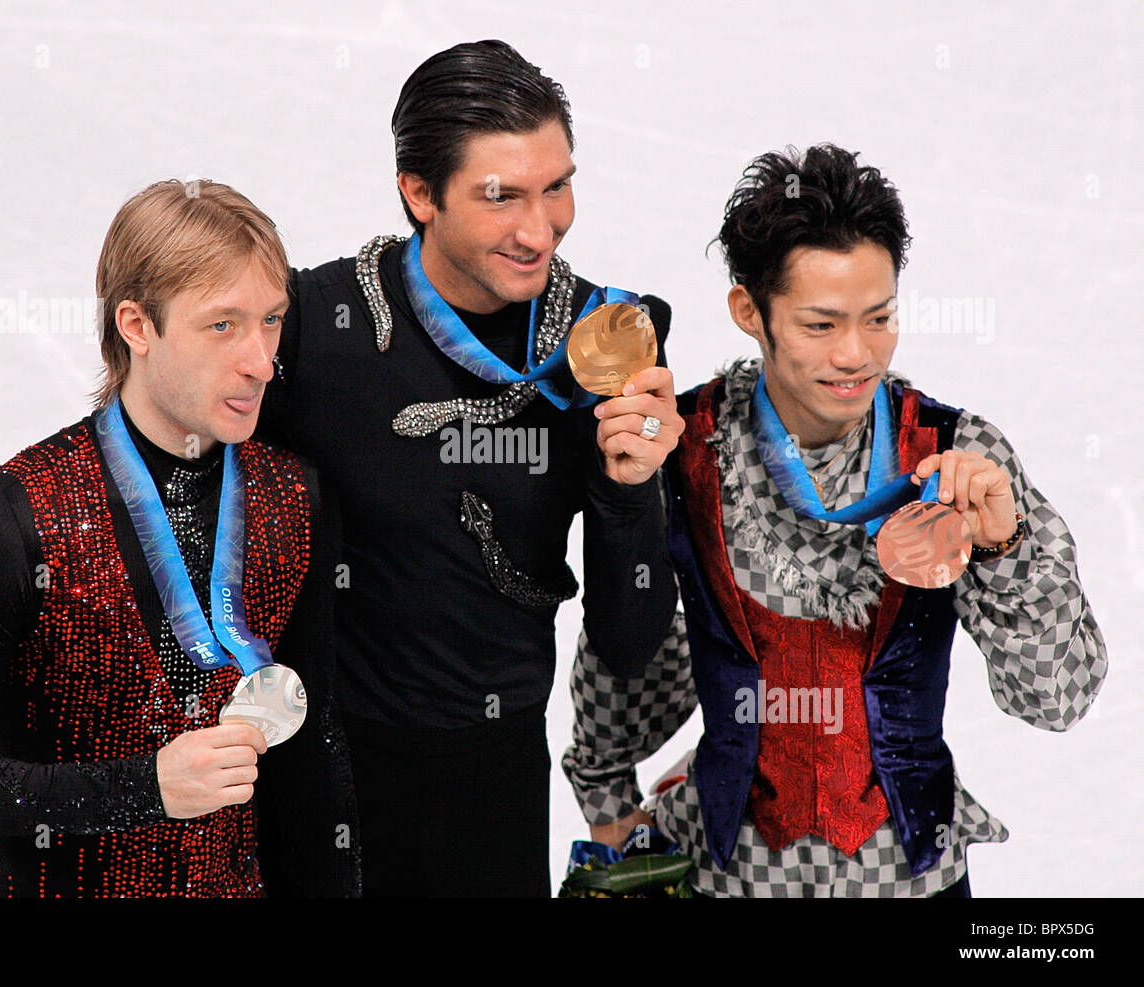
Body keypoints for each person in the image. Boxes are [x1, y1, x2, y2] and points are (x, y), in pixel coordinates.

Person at [563, 144, 1108, 897]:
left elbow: (1060, 698)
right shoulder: (684, 446)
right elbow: (636, 642)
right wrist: (608, 801)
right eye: (821, 324)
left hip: (911, 878)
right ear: (749, 311)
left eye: (879, 317)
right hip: (733, 877)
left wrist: (1004, 546)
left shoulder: (956, 454)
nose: (856, 354)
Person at [256, 39, 682, 896]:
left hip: (493, 783)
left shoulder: (607, 341)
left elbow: (632, 642)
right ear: (420, 194)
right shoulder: (317, 325)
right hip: (316, 769)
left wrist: (631, 490)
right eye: (502, 196)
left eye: (557, 186)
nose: (540, 228)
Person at [0, 179, 359, 897]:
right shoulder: (12, 523)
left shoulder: (293, 497)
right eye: (224, 326)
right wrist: (146, 786)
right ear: (137, 326)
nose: (262, 360)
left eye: (270, 320)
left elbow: (311, 755)